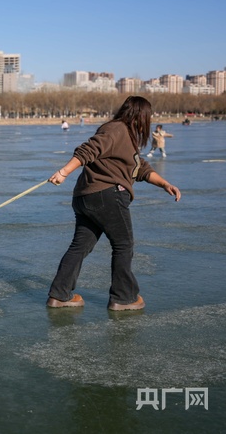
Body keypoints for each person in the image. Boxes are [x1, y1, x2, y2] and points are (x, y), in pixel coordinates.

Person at [46, 96, 181, 311]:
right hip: (106, 196)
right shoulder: (117, 130)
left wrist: (164, 183)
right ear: (140, 116)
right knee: (123, 245)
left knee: (80, 246)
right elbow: (88, 150)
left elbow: (140, 168)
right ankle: (123, 297)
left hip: (86, 198)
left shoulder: (125, 136)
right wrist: (63, 172)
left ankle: (59, 295)